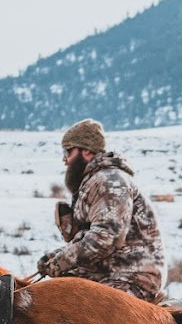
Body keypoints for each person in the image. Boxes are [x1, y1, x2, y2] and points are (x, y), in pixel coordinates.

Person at [37, 119, 166, 302]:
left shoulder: (110, 181)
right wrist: (54, 257)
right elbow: (87, 237)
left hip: (131, 276)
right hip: (106, 273)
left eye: (68, 151)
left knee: (78, 312)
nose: (64, 159)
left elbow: (106, 237)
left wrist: (61, 261)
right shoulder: (94, 182)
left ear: (86, 151)